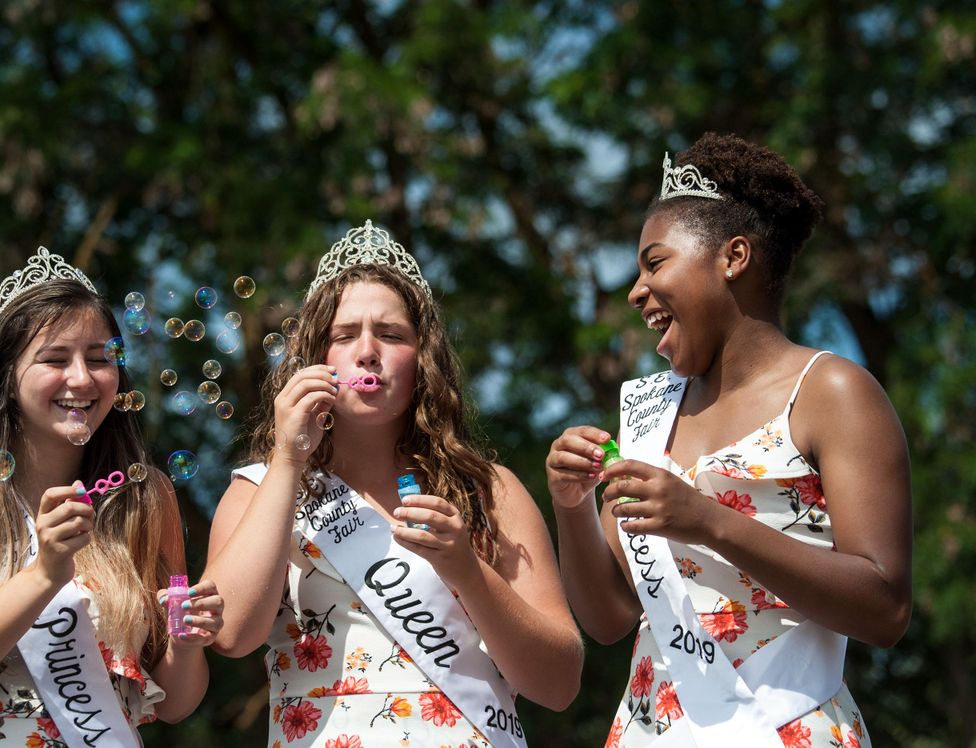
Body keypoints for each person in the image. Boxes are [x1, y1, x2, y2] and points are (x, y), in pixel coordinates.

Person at [547, 133, 912, 747]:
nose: (636, 290)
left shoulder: (831, 392)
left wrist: (708, 521)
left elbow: (885, 608)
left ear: (733, 257)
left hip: (788, 725)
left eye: (655, 262)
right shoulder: (648, 412)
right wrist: (570, 506)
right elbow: (609, 619)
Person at [205, 220, 583, 747]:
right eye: (344, 335)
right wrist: (289, 461)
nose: (366, 351)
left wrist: (468, 572)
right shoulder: (260, 490)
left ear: (423, 361)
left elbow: (560, 683)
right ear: (316, 356)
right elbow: (230, 634)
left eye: (391, 334)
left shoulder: (487, 490)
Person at [0, 247, 223, 746]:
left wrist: (188, 644)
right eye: (55, 359)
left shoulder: (143, 498)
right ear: (6, 379)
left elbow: (176, 702)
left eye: (100, 359)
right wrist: (42, 575)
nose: (82, 379)